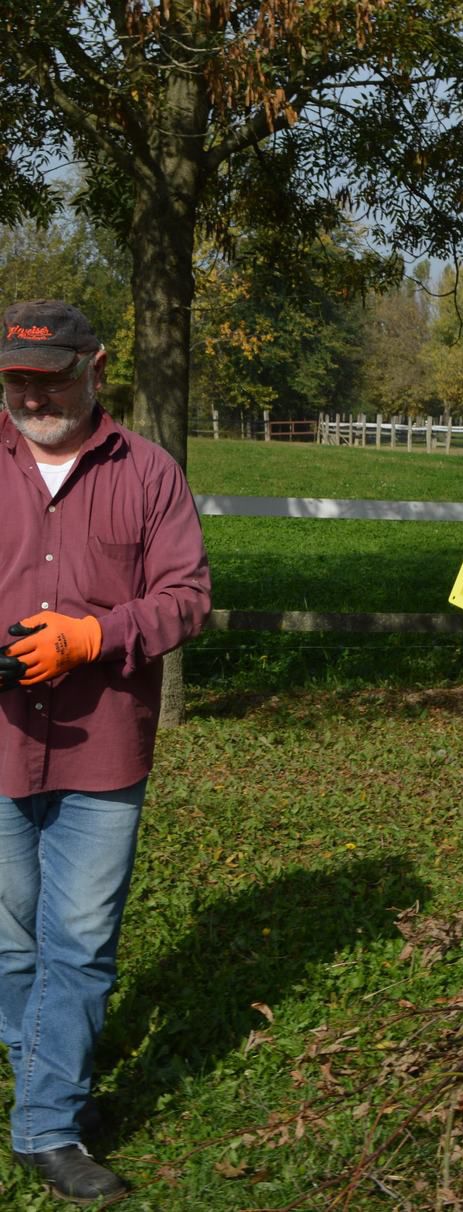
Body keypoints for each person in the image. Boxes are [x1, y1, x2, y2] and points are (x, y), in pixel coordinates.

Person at [0, 300, 211, 1204]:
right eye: (17, 378)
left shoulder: (149, 472)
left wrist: (93, 638)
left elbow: (188, 597)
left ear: (96, 367)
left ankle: (47, 1124)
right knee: (10, 942)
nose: (33, 394)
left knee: (78, 939)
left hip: (104, 753)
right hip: (0, 746)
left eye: (50, 377)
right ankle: (47, 1063)